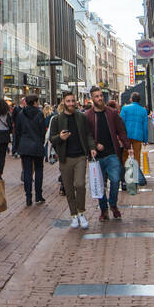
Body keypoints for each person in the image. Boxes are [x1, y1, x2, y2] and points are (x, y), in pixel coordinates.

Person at [85, 87, 130, 222]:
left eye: (100, 96)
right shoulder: (87, 116)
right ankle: (104, 209)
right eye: (96, 96)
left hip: (112, 153)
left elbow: (121, 130)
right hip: (96, 156)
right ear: (92, 99)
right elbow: (86, 135)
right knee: (99, 184)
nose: (99, 98)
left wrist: (128, 146)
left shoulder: (112, 113)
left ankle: (113, 204)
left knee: (115, 180)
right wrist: (94, 144)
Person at [51, 90, 92, 228]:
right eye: (68, 101)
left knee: (80, 184)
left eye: (73, 101)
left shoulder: (81, 117)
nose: (71, 103)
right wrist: (60, 138)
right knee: (68, 189)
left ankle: (81, 212)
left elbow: (87, 134)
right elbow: (52, 138)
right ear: (63, 102)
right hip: (65, 158)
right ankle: (73, 215)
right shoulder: (57, 119)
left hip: (80, 156)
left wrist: (91, 147)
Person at [14, 95, 48, 207]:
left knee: (27, 171)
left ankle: (28, 196)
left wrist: (17, 146)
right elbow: (43, 130)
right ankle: (38, 194)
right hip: (37, 145)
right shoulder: (39, 114)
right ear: (34, 102)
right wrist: (41, 141)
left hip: (25, 145)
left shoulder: (20, 114)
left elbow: (17, 131)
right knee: (38, 170)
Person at [121, 92, 149, 179]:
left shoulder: (125, 108)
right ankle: (136, 176)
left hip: (126, 136)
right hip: (138, 135)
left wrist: (120, 136)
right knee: (137, 155)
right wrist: (145, 139)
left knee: (125, 154)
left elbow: (121, 123)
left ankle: (124, 175)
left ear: (131, 99)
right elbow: (145, 126)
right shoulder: (143, 110)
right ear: (140, 100)